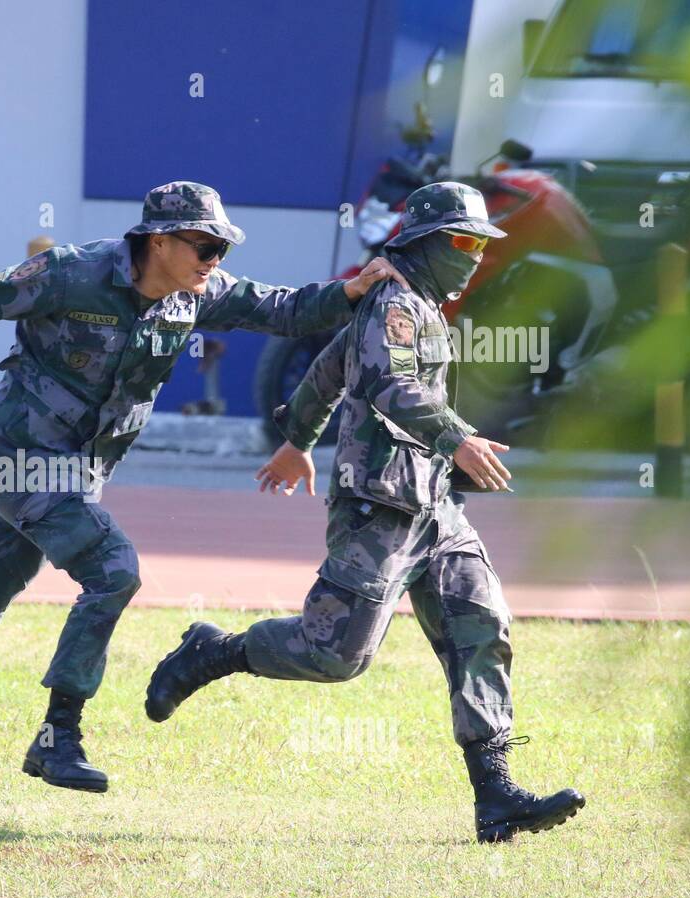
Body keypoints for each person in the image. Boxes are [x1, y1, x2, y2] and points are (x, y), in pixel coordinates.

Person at [0, 180, 407, 815]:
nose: (213, 258)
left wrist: (351, 291)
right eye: (203, 243)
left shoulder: (195, 294)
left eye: (221, 246)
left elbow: (286, 309)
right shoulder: (70, 274)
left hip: (78, 472)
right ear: (157, 240)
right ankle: (59, 734)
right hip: (21, 460)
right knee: (114, 571)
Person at [145, 181, 586, 844]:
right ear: (425, 243)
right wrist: (456, 437)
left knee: (480, 626)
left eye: (479, 244)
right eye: (463, 242)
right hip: (379, 505)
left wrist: (296, 439)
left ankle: (496, 796)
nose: (472, 256)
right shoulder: (395, 304)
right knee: (336, 655)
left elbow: (331, 366)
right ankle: (214, 652)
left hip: (435, 506)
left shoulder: (420, 303)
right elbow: (387, 382)